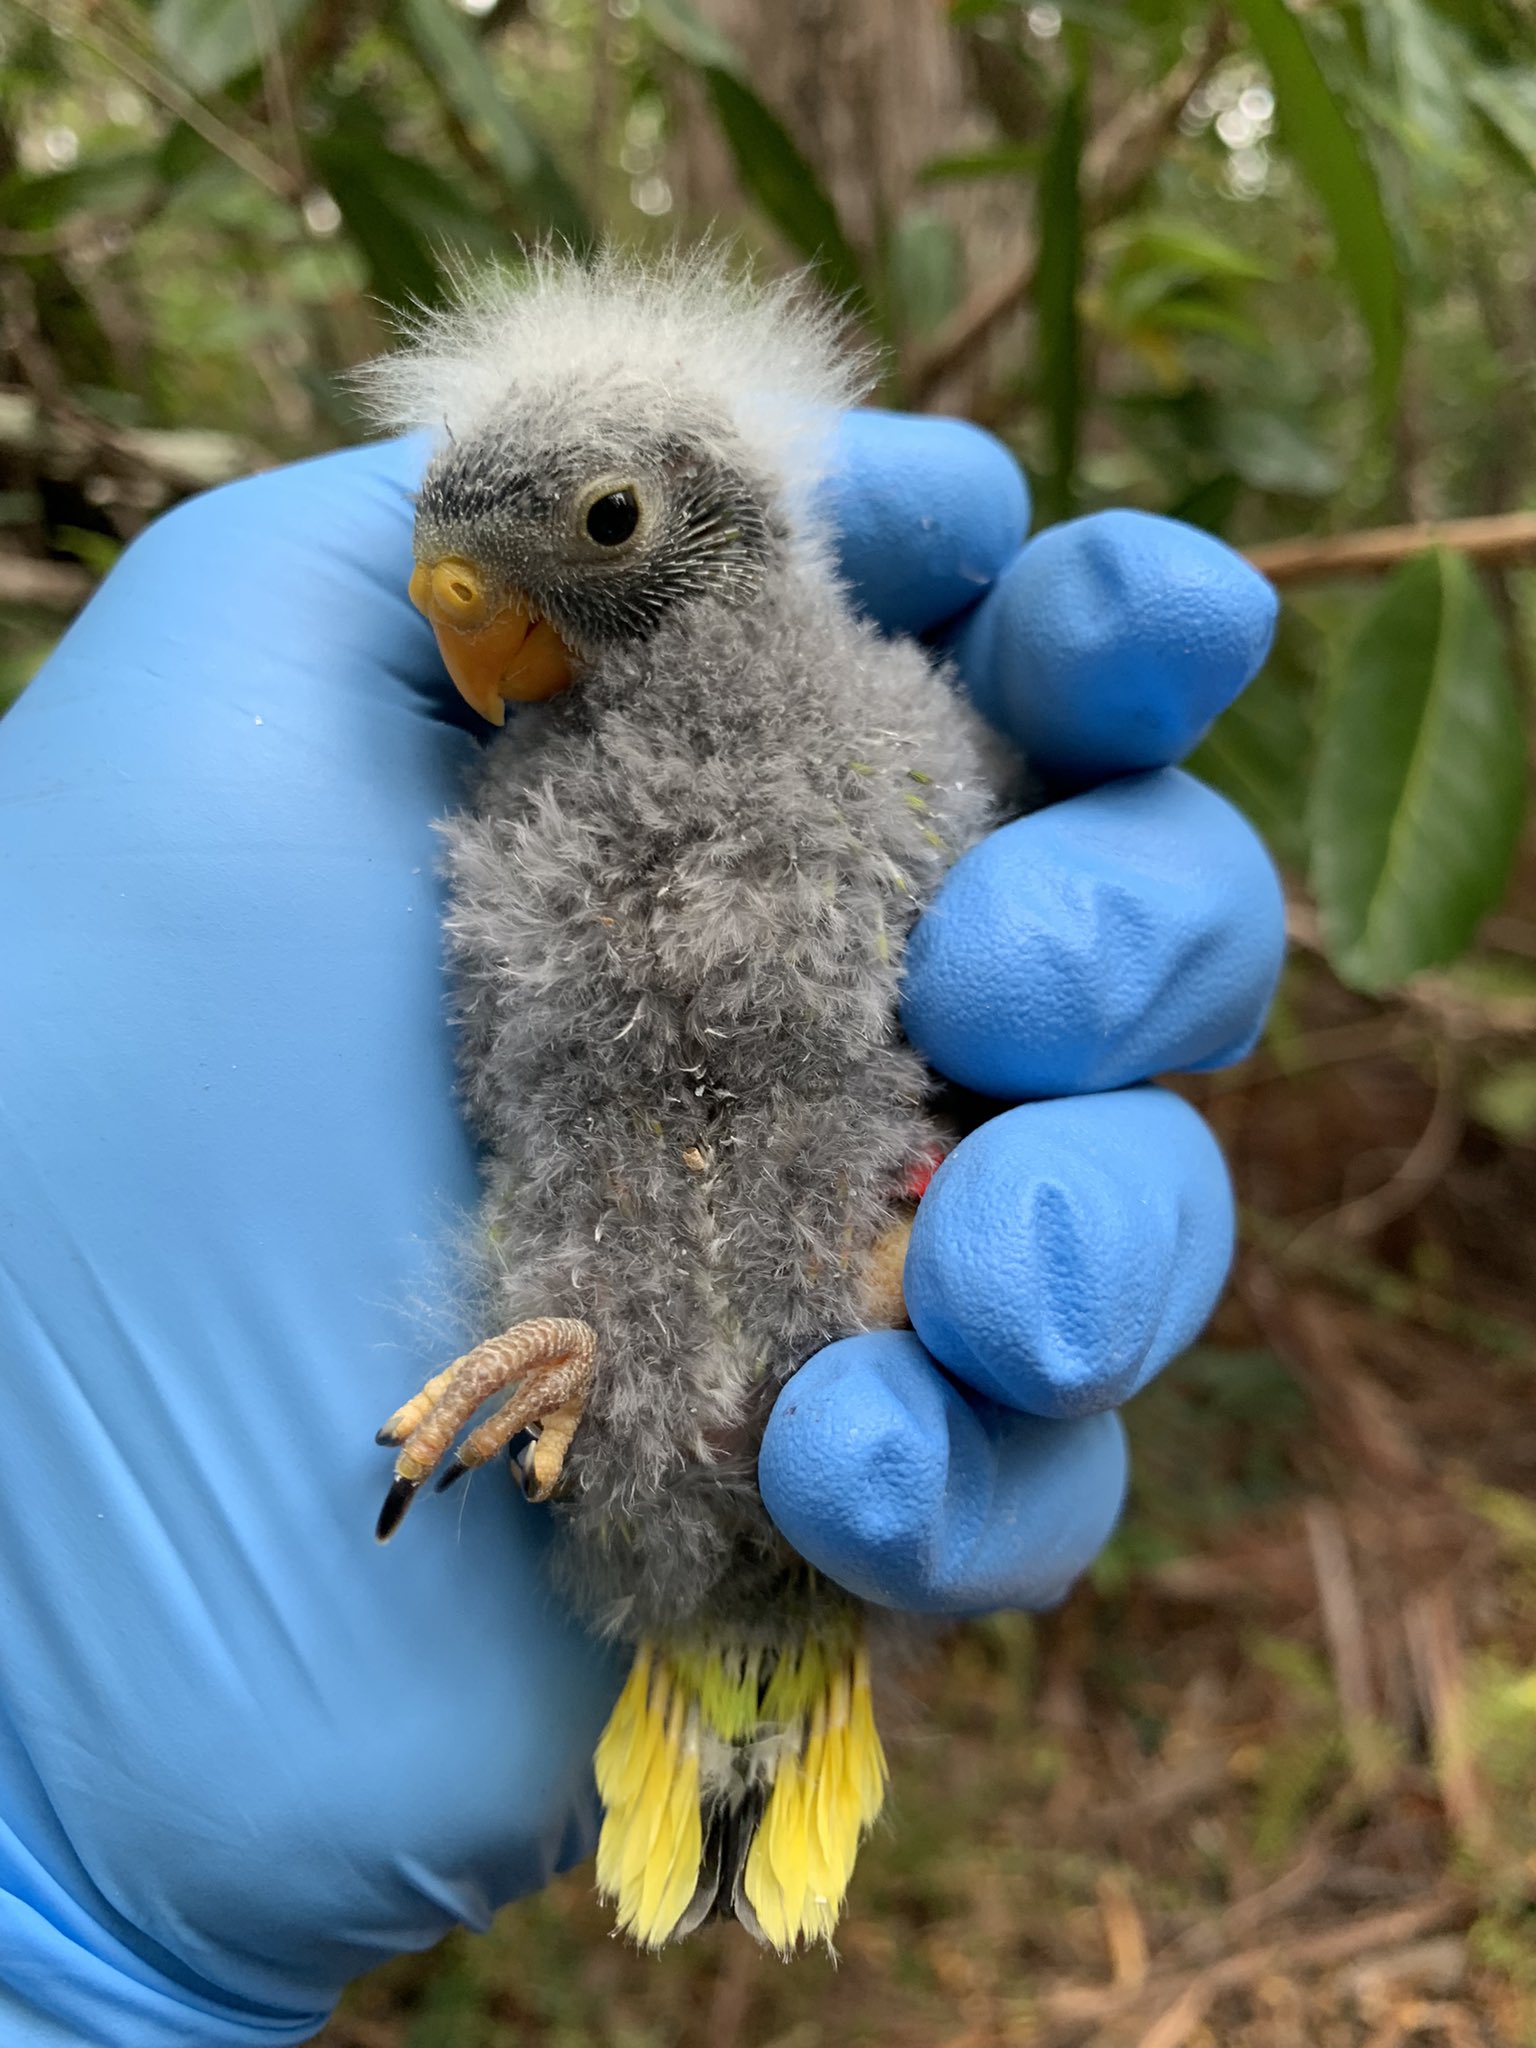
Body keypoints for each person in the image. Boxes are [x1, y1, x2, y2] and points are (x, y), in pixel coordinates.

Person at [0, 411, 1283, 2046]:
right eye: (450, 588)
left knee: (982, 1220)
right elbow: (553, 1124)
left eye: (602, 520)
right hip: (597, 1369)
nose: (475, 612)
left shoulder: (893, 723)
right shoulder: (499, 790)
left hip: (826, 1338)